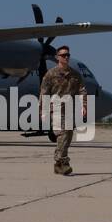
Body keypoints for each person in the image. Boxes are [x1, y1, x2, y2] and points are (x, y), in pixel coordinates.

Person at [39, 44, 88, 175]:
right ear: (57, 57)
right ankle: (62, 162)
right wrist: (43, 111)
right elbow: (44, 93)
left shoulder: (75, 75)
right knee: (63, 134)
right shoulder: (50, 74)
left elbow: (82, 90)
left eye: (68, 55)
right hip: (55, 109)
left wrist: (83, 105)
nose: (66, 57)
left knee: (68, 136)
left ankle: (58, 164)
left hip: (70, 109)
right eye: (63, 55)